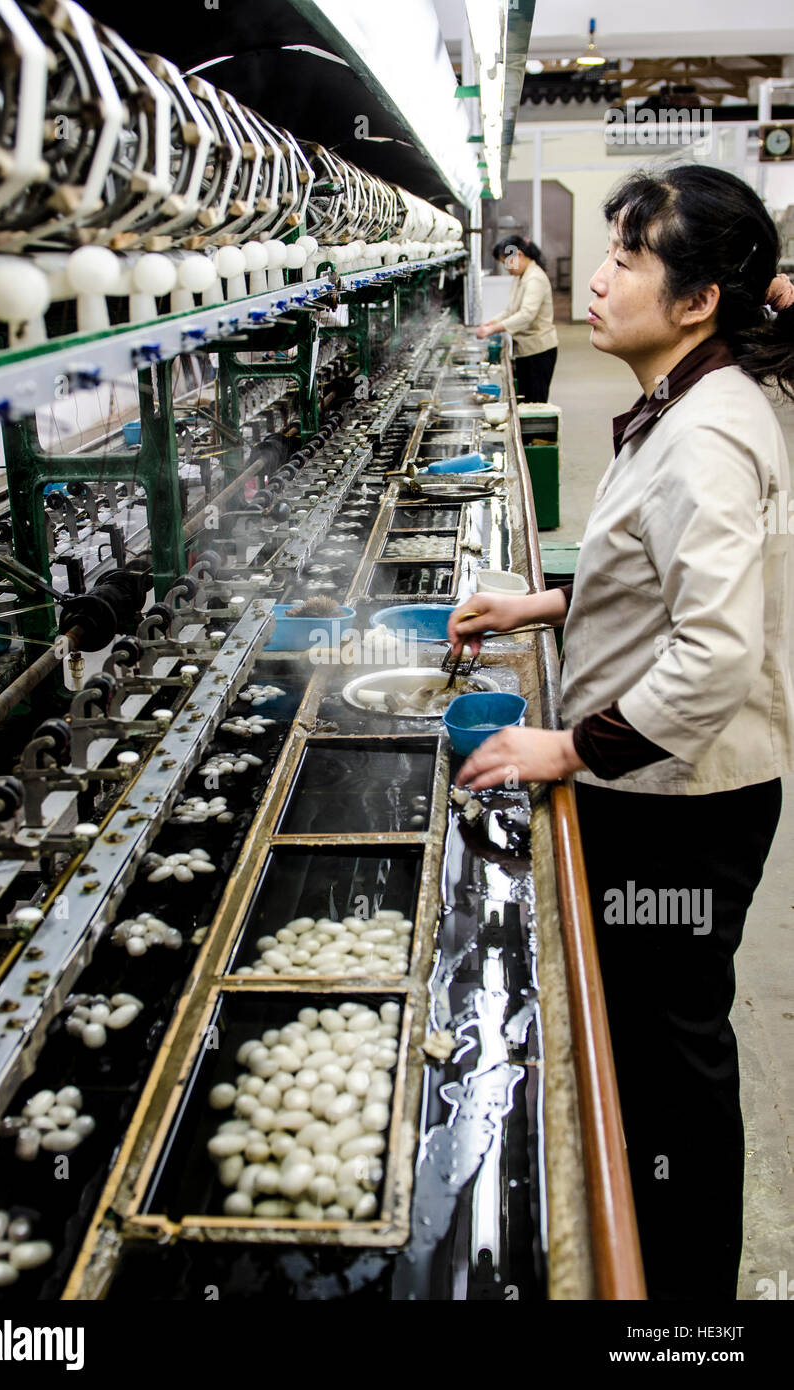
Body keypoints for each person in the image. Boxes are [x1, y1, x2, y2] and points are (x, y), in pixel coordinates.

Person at [448, 164, 794, 1301]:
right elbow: (652, 577)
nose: (592, 282)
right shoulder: (687, 400)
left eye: (628, 261)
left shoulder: (708, 434)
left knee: (667, 1054)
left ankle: (680, 1303)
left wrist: (566, 748)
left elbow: (716, 655)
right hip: (665, 787)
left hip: (684, 804)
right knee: (649, 1041)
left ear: (697, 299)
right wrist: (544, 603)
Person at [476, 236, 559, 402]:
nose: (506, 268)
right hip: (525, 349)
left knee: (535, 400)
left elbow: (527, 315)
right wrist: (491, 322)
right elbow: (510, 310)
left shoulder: (535, 278)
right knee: (526, 398)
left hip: (538, 351)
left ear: (519, 254)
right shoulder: (521, 277)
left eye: (506, 262)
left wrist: (493, 329)